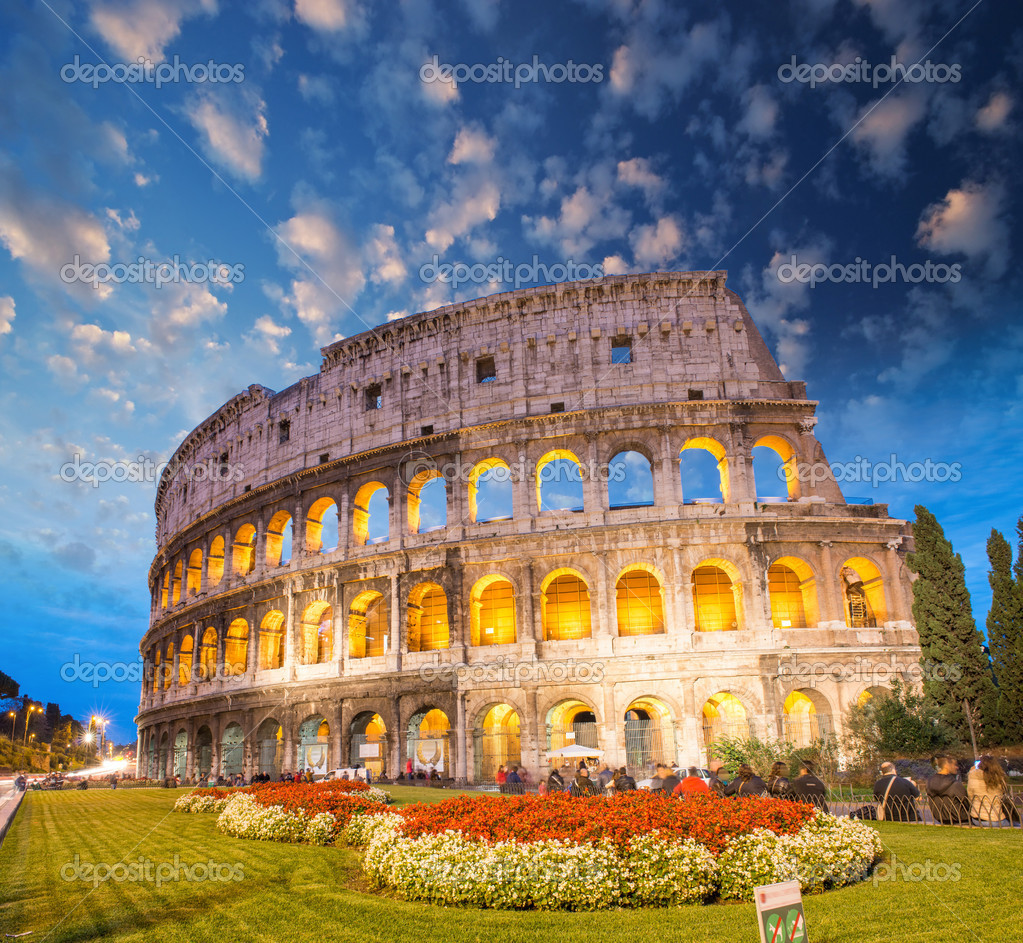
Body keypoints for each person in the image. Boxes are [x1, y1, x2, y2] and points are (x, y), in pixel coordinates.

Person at [968, 756, 1012, 825]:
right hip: (996, 818)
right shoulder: (999, 778)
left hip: (977, 818)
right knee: (1016, 824)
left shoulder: (973, 776)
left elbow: (970, 796)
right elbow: (1003, 795)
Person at [927, 756, 971, 825]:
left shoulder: (930, 782)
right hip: (960, 819)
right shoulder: (954, 784)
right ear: (947, 765)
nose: (957, 767)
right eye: (955, 765)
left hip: (940, 818)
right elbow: (967, 803)